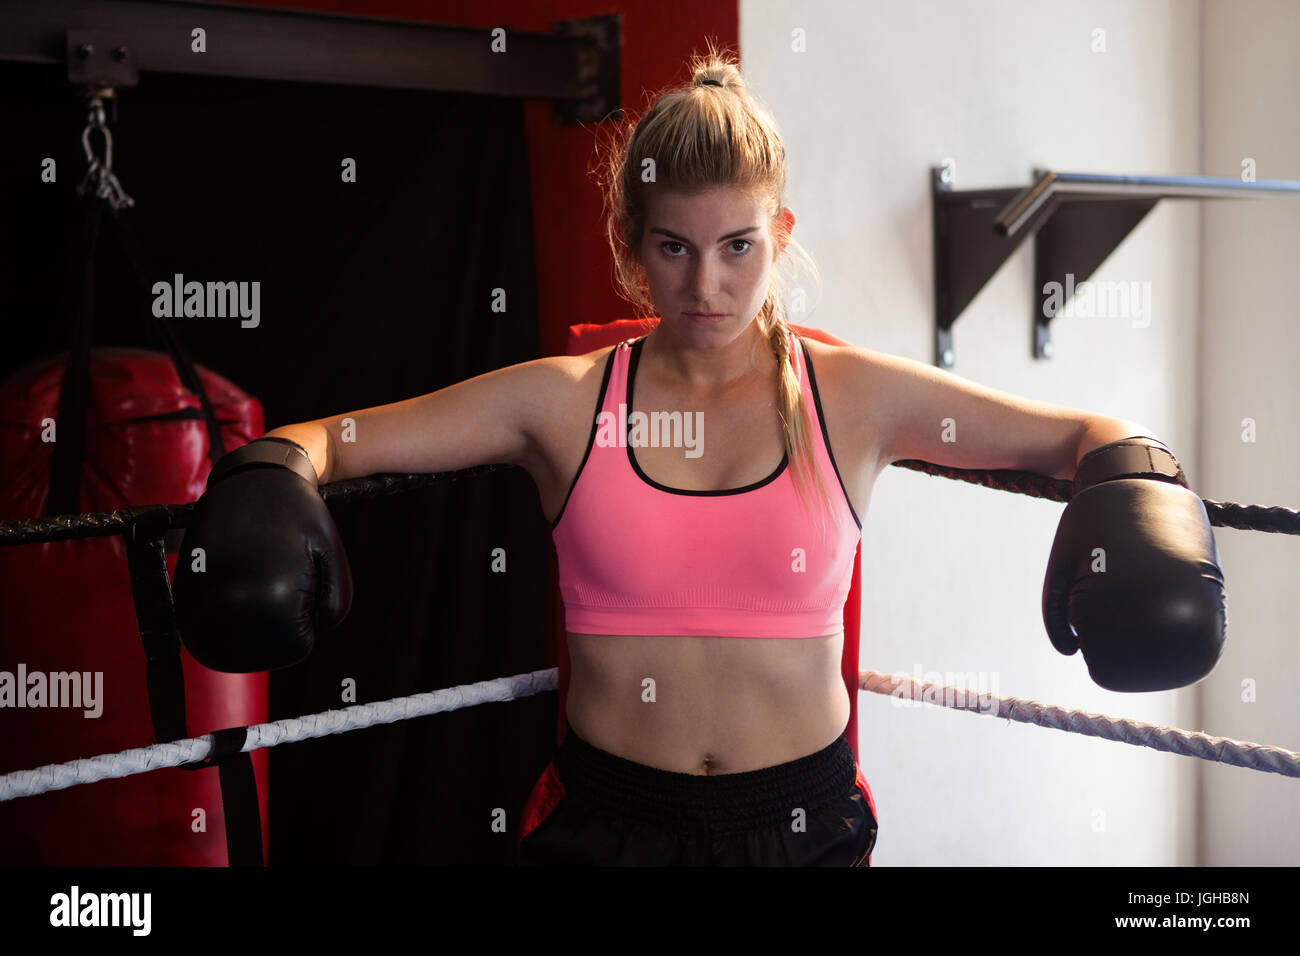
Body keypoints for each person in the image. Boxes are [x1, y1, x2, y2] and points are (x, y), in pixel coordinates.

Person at [173, 43, 1226, 866]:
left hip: (802, 823)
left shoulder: (851, 398)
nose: (706, 286)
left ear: (780, 235)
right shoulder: (562, 403)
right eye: (673, 248)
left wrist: (1136, 481)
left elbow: (1078, 437)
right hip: (607, 824)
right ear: (633, 247)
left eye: (737, 248)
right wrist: (269, 473)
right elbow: (333, 440)